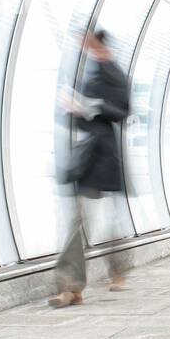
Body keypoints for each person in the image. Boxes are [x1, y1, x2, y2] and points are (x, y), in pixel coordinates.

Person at [49, 28, 132, 308]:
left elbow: (123, 111)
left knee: (110, 226)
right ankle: (71, 288)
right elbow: (84, 121)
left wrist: (94, 107)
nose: (86, 49)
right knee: (79, 222)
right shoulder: (92, 75)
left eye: (90, 44)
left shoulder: (114, 73)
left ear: (100, 45)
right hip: (88, 161)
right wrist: (76, 110)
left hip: (107, 158)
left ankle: (118, 269)